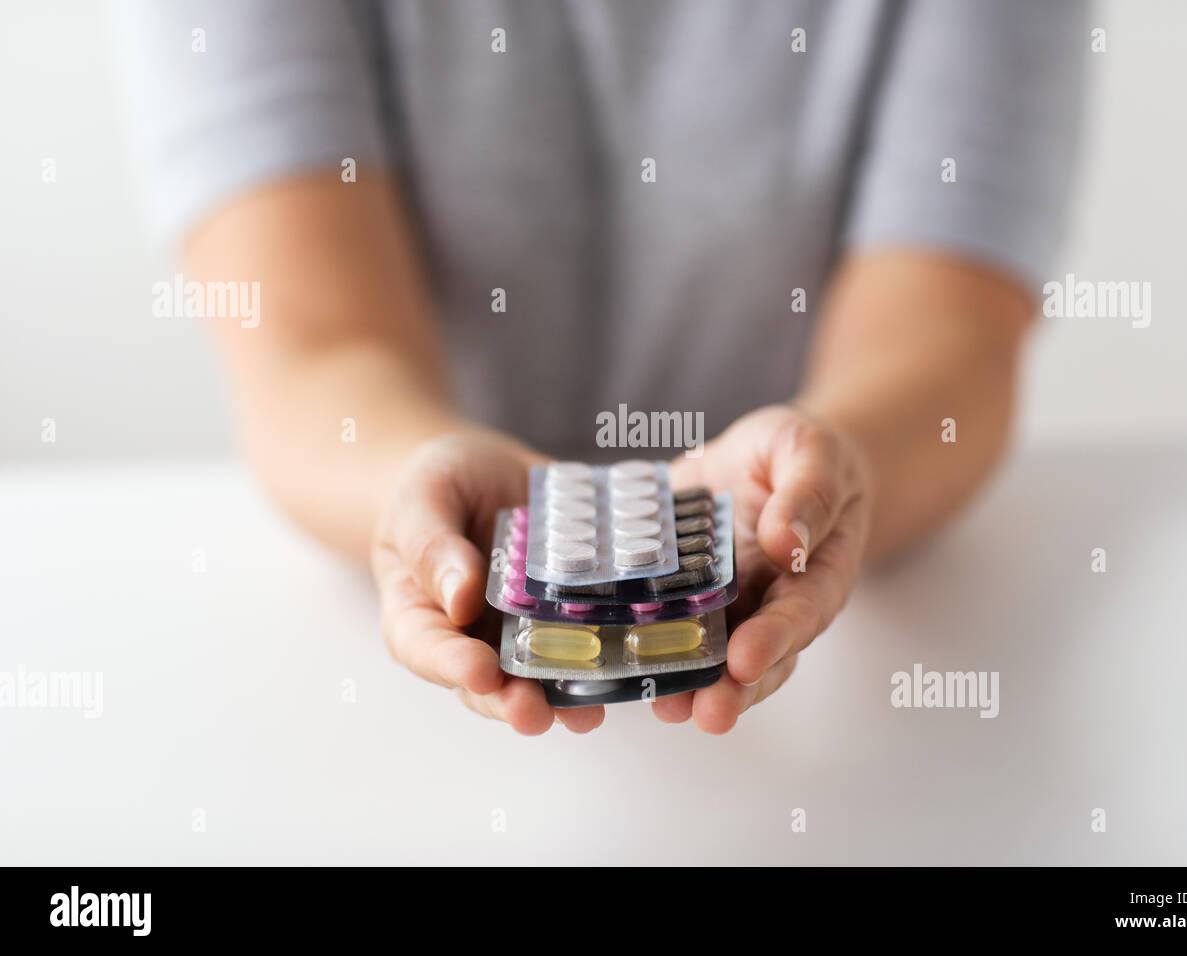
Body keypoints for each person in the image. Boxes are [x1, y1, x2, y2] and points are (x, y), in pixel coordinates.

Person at [115, 0, 1087, 735]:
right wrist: (416, 494)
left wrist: (835, 475)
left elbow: (948, 336)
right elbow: (311, 345)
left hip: (856, 681)